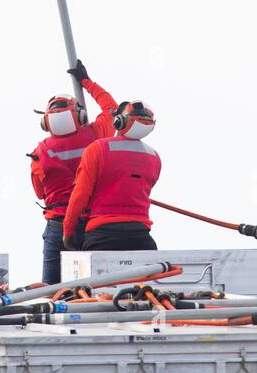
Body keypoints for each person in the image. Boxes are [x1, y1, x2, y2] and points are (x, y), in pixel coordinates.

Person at [29, 60, 118, 285]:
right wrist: (87, 82)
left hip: (57, 226)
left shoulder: (39, 152)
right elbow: (112, 110)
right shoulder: (96, 136)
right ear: (78, 115)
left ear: (45, 122)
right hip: (92, 223)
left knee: (49, 289)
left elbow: (40, 193)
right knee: (92, 288)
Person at [62, 100, 162, 254]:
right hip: (141, 237)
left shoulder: (97, 149)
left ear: (119, 121)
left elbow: (80, 194)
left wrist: (68, 231)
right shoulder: (154, 157)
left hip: (102, 236)